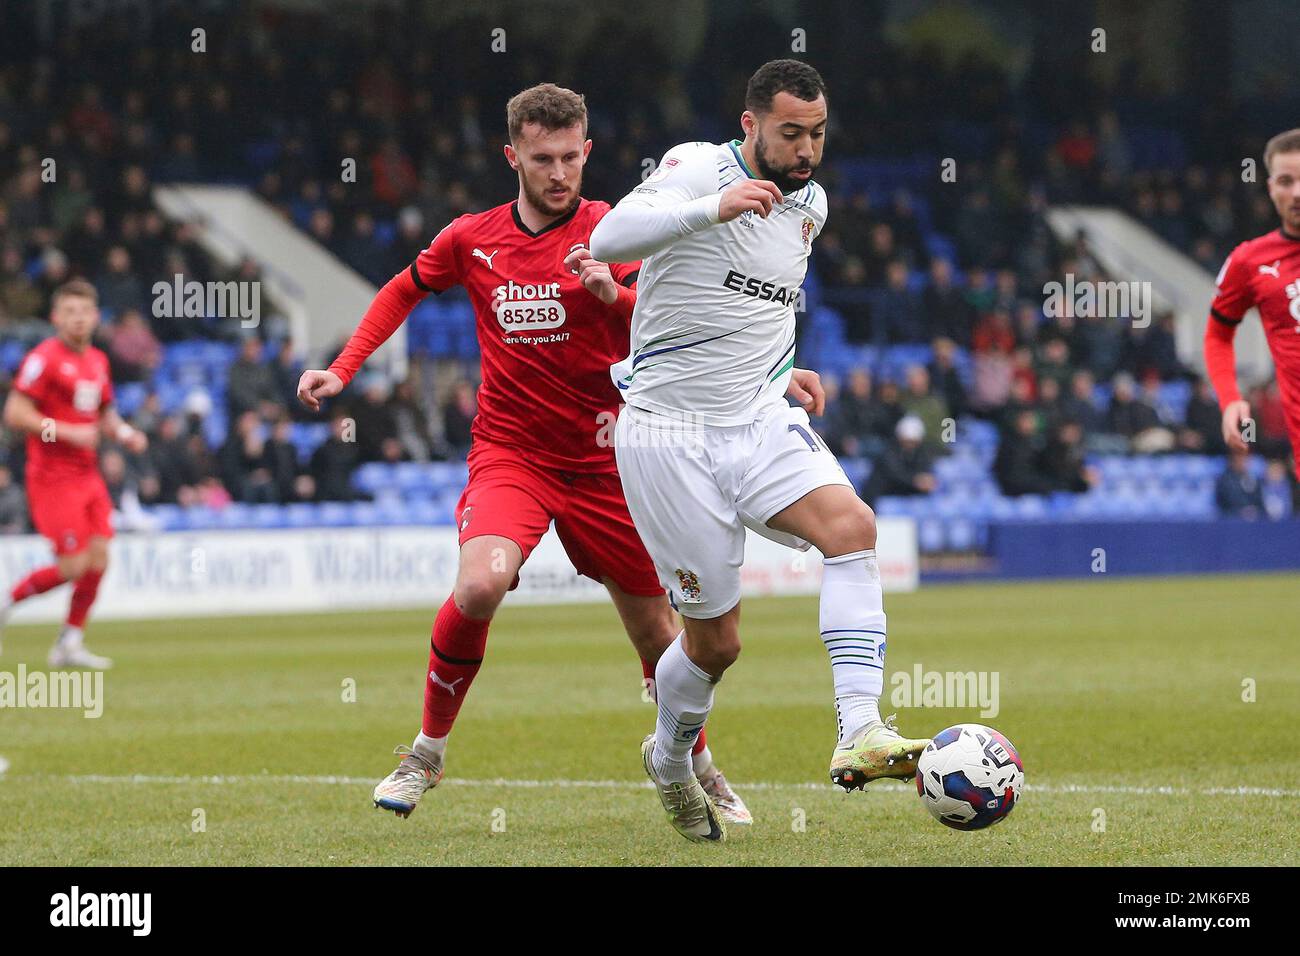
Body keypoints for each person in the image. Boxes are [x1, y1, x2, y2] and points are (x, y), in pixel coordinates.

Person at [298, 83, 802, 826]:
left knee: (661, 635)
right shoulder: (472, 239)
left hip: (613, 459)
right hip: (515, 455)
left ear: (588, 151)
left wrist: (614, 298)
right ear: (514, 156)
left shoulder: (623, 228)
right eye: (543, 159)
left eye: (571, 157)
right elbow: (404, 290)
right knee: (479, 587)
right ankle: (424, 755)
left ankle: (697, 764)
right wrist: (343, 368)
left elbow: (677, 326)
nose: (560, 172)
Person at [591, 59, 929, 844]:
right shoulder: (693, 168)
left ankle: (861, 730)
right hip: (669, 433)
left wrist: (783, 371)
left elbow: (759, 308)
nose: (807, 149)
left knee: (853, 528)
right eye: (790, 133)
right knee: (716, 643)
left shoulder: (811, 205)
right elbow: (608, 238)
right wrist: (711, 209)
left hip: (755, 417)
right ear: (750, 125)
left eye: (816, 133)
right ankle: (670, 761)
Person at [0, 279, 149, 666]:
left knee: (99, 558)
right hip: (51, 477)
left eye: (84, 311)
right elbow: (15, 414)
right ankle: (7, 601)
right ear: (55, 317)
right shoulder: (44, 358)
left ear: (96, 316)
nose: (78, 319)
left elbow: (104, 414)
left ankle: (69, 641)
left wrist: (126, 433)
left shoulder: (98, 360)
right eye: (69, 311)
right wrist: (62, 431)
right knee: (73, 565)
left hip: (88, 475)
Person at [1204, 128, 1300, 478]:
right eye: (1287, 181)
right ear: (1271, 187)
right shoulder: (1249, 262)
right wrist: (1231, 399)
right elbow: (1217, 336)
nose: (1298, 193)